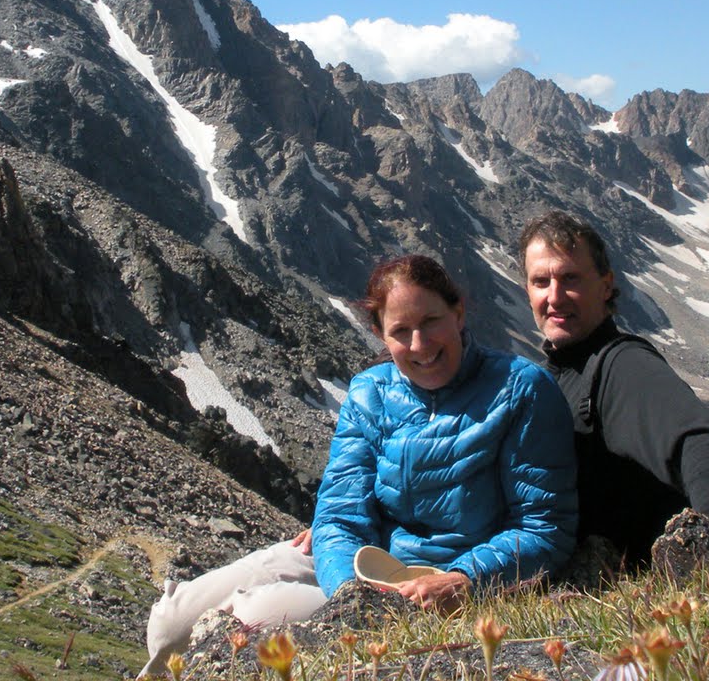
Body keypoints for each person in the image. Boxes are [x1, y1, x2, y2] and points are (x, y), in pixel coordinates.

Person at [142, 254, 576, 671]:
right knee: (169, 623)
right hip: (358, 564)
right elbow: (339, 514)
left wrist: (464, 580)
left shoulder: (520, 390)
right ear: (380, 333)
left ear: (459, 313)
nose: (420, 345)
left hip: (442, 581)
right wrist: (351, 591)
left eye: (431, 322)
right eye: (401, 330)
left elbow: (545, 528)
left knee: (246, 619)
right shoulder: (371, 391)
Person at [520, 211, 709, 566]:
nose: (555, 296)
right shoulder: (554, 374)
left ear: (606, 284)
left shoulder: (621, 366)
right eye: (540, 281)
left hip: (632, 599)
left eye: (570, 278)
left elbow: (706, 448)